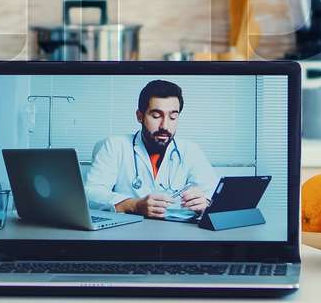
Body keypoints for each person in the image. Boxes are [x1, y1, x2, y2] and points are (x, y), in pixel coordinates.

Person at [84, 79, 220, 218]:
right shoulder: (115, 146)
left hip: (177, 232)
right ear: (140, 116)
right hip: (128, 231)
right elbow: (91, 193)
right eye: (156, 116)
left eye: (173, 117)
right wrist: (134, 205)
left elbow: (215, 193)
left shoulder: (191, 150)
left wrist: (205, 203)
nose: (165, 126)